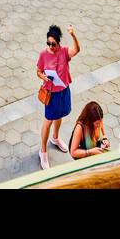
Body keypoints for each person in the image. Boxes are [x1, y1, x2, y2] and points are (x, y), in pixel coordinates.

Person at [36, 24, 79, 170]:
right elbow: (38, 71)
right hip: (51, 93)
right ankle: (43, 151)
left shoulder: (64, 52)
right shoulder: (43, 54)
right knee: (48, 121)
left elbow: (77, 50)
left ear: (59, 42)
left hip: (63, 90)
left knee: (60, 115)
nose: (50, 46)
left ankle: (55, 138)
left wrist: (73, 35)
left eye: (53, 44)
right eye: (48, 43)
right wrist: (43, 77)